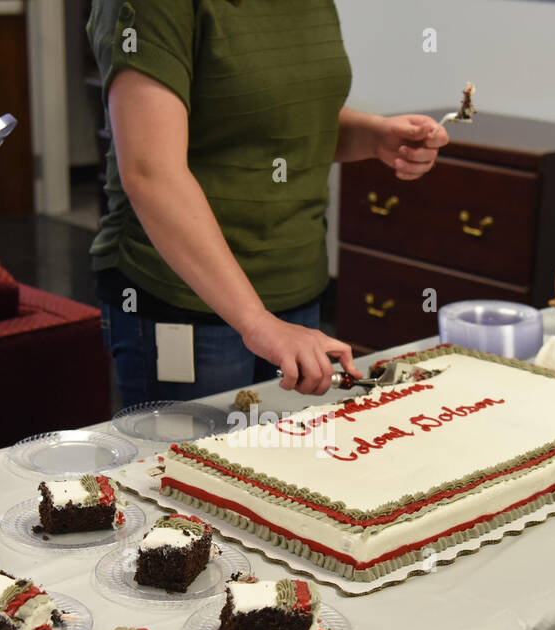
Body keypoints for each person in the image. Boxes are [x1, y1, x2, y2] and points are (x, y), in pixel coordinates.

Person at [88, 0, 451, 405]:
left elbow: (275, 118)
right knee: (195, 466)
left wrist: (374, 135)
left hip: (295, 292)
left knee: (285, 463)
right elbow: (150, 173)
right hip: (186, 304)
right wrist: (257, 321)